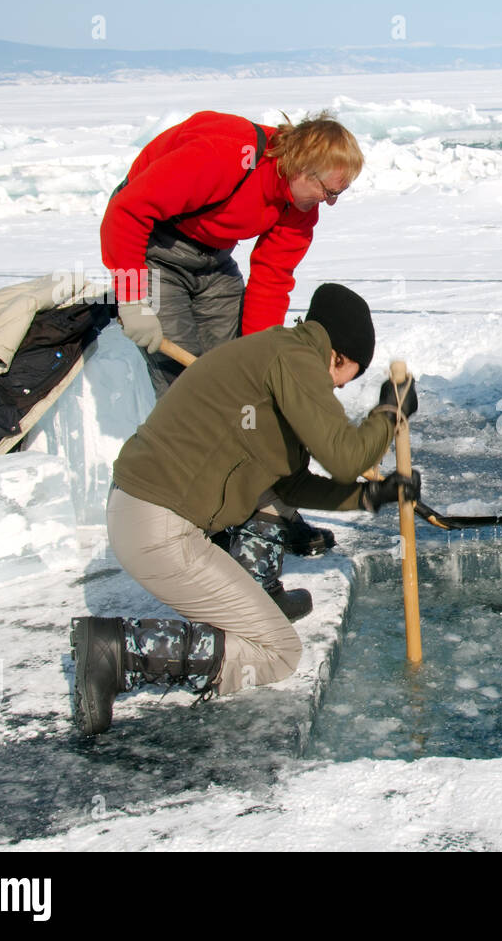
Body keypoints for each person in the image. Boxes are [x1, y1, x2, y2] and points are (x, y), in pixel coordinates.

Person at [69, 284, 420, 736]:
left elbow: (288, 483)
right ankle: (118, 651)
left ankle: (256, 593)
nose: (340, 388)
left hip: (142, 507)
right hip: (157, 526)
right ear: (338, 356)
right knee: (277, 652)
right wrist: (388, 413)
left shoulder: (275, 356)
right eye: (348, 376)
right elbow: (345, 457)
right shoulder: (294, 361)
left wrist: (370, 496)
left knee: (269, 496)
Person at [102, 109, 362, 556]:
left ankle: (267, 504)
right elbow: (128, 211)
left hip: (212, 260)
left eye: (337, 195)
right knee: (188, 390)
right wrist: (131, 298)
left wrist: (264, 364)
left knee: (247, 390)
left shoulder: (300, 207)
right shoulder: (226, 156)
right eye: (327, 191)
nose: (328, 203)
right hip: (154, 248)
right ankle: (206, 514)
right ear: (301, 166)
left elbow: (272, 280)